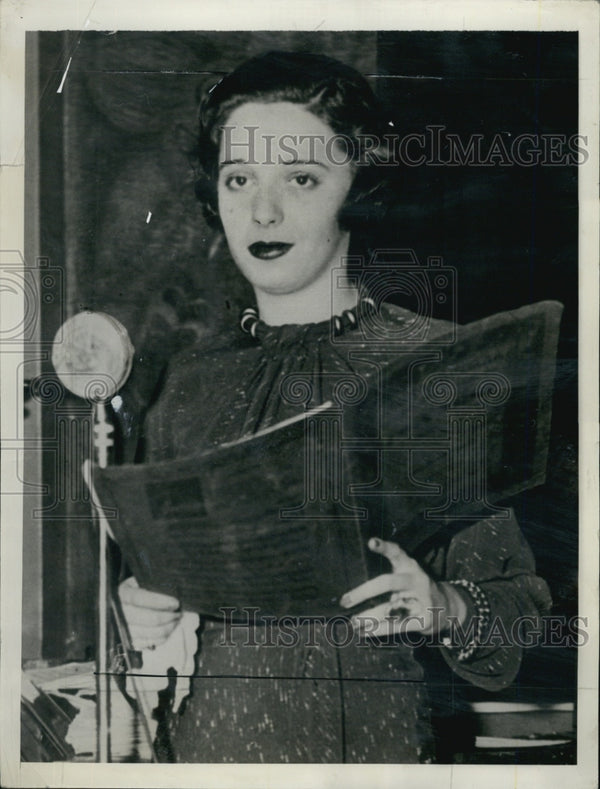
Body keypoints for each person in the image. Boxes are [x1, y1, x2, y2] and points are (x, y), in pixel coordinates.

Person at [119, 50, 552, 763]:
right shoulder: (184, 389)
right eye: (238, 179)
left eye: (301, 177)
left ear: (359, 186)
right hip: (205, 757)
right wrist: (145, 618)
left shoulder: (438, 367)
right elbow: (157, 639)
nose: (262, 210)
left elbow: (520, 615)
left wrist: (441, 603)